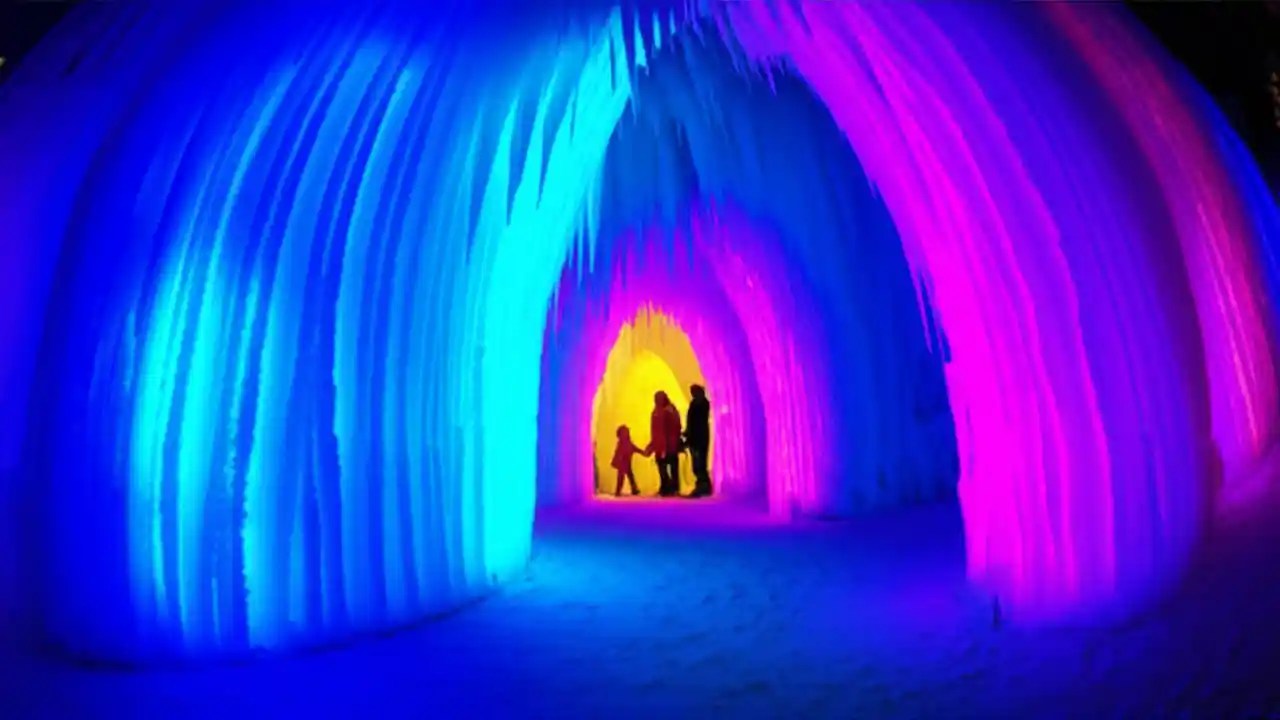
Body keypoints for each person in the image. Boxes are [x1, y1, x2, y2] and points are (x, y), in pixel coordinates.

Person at [647, 391, 683, 497]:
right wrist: (653, 444)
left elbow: (671, 428)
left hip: (669, 444)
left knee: (670, 465)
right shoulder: (658, 411)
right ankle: (667, 487)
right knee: (664, 466)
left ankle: (671, 487)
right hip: (662, 445)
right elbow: (655, 430)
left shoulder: (668, 411)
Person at [684, 384, 713, 498]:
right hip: (696, 437)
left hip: (699, 438)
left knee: (700, 463)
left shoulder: (701, 404)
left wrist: (690, 433)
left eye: (694, 391)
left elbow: (696, 422)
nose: (692, 393)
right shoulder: (696, 403)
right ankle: (702, 485)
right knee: (697, 464)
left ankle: (703, 486)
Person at [610, 425, 649, 496]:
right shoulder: (623, 444)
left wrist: (643, 453)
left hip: (626, 463)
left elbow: (635, 449)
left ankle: (632, 490)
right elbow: (619, 453)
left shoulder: (626, 443)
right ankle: (620, 491)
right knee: (622, 477)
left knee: (628, 476)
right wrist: (644, 453)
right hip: (623, 463)